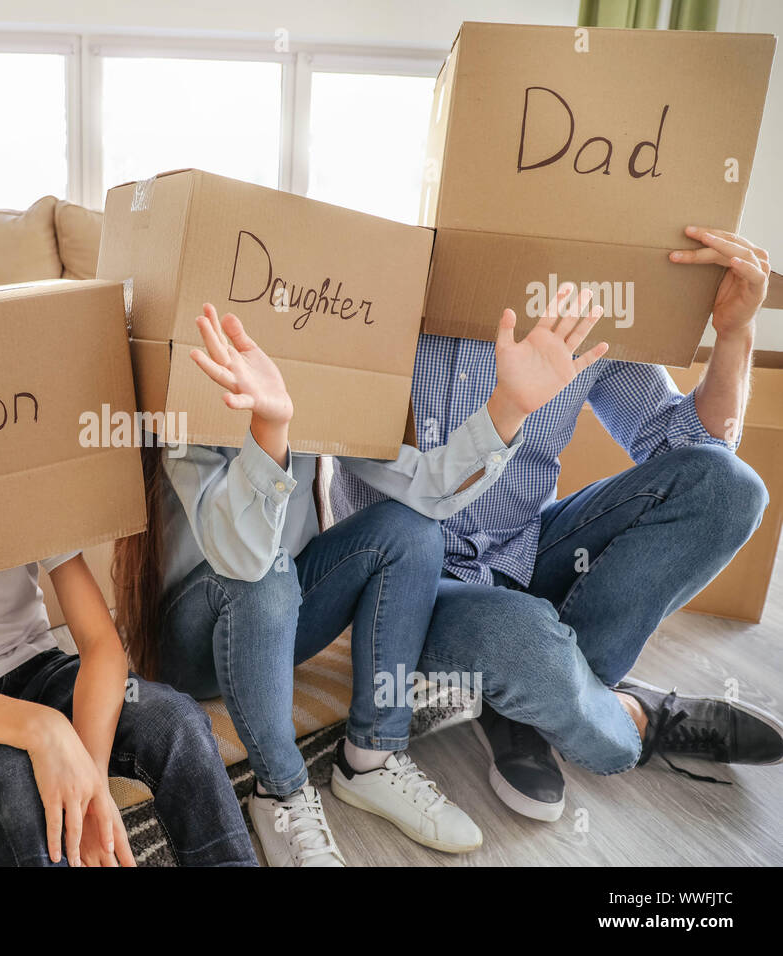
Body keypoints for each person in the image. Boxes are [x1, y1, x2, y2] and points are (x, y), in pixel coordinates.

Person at [116, 296, 609, 865]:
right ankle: (281, 790)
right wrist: (269, 426)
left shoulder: (309, 372)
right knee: (267, 572)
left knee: (412, 531)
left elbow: (429, 491)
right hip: (188, 647)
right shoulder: (182, 391)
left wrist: (509, 408)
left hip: (277, 634)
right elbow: (242, 557)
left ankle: (371, 759)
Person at [333, 226, 783, 822]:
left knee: (729, 489)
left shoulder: (583, 299)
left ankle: (539, 700)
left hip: (525, 549)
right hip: (409, 585)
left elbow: (693, 449)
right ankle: (630, 719)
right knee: (516, 634)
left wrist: (733, 333)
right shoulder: (376, 289)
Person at [0, 551, 257, 867]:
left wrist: (89, 784)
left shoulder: (29, 476)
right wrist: (43, 729)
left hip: (35, 666)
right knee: (11, 779)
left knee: (176, 721)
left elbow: (101, 643)